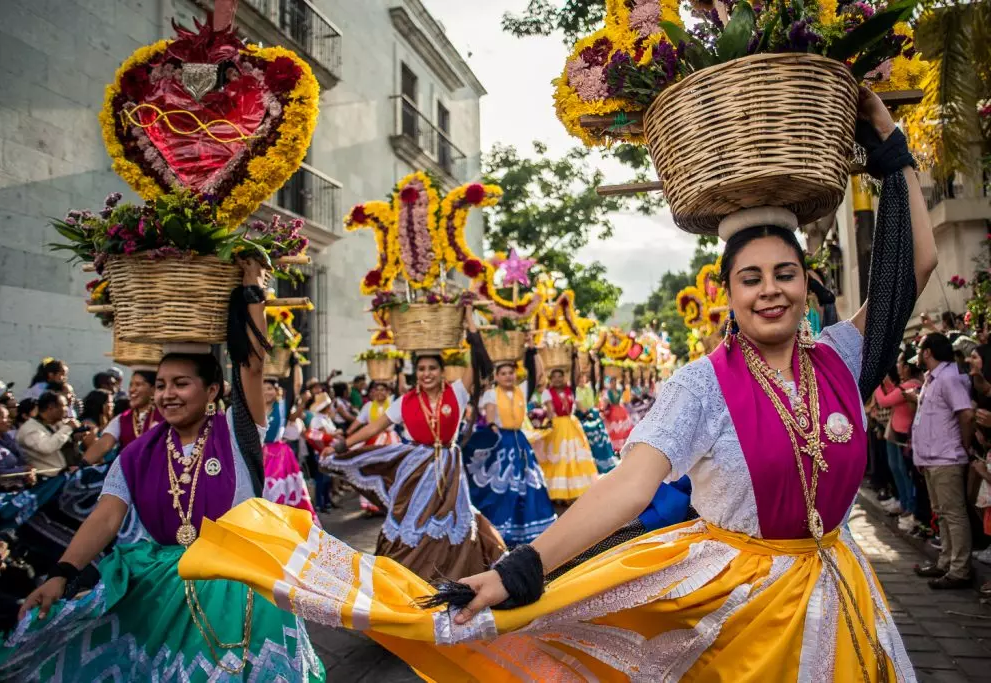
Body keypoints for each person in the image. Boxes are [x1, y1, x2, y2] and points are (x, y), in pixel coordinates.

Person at [179, 89, 933, 681]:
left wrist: (891, 153)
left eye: (784, 274)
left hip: (842, 586)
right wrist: (519, 568)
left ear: (807, 283)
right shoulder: (700, 386)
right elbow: (625, 490)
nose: (769, 291)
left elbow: (915, 268)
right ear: (729, 295)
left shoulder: (838, 356)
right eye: (750, 278)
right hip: (741, 617)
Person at [0, 258, 325, 680]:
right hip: (160, 591)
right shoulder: (136, 454)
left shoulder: (236, 433)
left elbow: (252, 365)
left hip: (241, 587)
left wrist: (250, 292)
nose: (166, 394)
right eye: (160, 384)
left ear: (212, 390)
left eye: (180, 384)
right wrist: (61, 575)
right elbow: (104, 517)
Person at [318, 306, 506, 581]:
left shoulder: (457, 392)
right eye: (421, 369)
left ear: (442, 372)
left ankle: (451, 576)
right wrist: (341, 445)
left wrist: (469, 321)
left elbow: (479, 362)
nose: (426, 374)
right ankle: (408, 578)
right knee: (414, 522)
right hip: (416, 470)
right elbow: (374, 426)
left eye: (432, 368)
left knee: (454, 521)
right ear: (416, 372)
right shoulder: (404, 402)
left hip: (449, 468)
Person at [463, 350, 557, 547]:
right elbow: (490, 418)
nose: (508, 376)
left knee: (529, 485)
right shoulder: (491, 394)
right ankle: (500, 532)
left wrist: (533, 351)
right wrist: (492, 426)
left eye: (511, 373)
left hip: (520, 441)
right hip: (502, 443)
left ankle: (528, 531)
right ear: (497, 377)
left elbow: (538, 375)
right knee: (503, 488)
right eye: (503, 373)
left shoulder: (521, 390)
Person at [912, 332, 976, 589]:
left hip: (947, 457)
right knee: (942, 513)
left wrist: (965, 444)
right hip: (932, 457)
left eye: (920, 349)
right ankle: (946, 561)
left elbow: (967, 414)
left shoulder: (949, 377)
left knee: (953, 513)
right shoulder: (932, 378)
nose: (918, 353)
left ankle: (959, 569)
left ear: (928, 352)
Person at [534, 366, 599, 503]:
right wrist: (549, 422)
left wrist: (574, 358)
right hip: (557, 425)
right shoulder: (547, 392)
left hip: (571, 425)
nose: (557, 379)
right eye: (554, 377)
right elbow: (550, 410)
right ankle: (558, 494)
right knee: (558, 458)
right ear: (550, 379)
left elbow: (576, 402)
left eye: (560, 376)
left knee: (573, 458)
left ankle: (574, 492)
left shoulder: (571, 390)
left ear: (564, 378)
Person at [875, 354, 923, 532]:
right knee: (896, 469)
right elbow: (891, 392)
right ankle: (904, 503)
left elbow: (884, 401)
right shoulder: (906, 385)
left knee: (903, 471)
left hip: (903, 435)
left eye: (901, 364)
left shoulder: (911, 386)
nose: (898, 367)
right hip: (895, 432)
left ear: (908, 368)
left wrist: (877, 383)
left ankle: (909, 505)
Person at [80, 370, 160, 466]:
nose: (132, 390)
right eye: (131, 385)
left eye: (138, 385)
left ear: (153, 389)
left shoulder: (166, 416)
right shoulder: (123, 418)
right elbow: (104, 444)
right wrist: (81, 464)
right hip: (128, 474)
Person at [261, 377, 315, 515]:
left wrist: (295, 361)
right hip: (259, 453)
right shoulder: (255, 408)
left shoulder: (282, 406)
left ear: (276, 390)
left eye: (269, 389)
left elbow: (296, 384)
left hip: (279, 455)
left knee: (281, 492)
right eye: (262, 389)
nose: (266, 392)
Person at [348, 381, 400, 515]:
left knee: (390, 474)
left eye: (383, 390)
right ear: (373, 392)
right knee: (370, 473)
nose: (380, 393)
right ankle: (371, 506)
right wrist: (347, 434)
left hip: (390, 442)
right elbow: (358, 421)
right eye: (377, 390)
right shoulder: (368, 406)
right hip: (372, 441)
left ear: (388, 392)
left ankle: (390, 505)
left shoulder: (394, 404)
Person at [16, 392, 91, 474]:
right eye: (64, 405)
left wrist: (75, 438)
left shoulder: (55, 422)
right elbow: (47, 448)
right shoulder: (29, 429)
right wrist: (68, 427)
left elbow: (59, 444)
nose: (67, 409)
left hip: (71, 473)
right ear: (51, 407)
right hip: (51, 480)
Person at [575, 370, 618, 473]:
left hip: (592, 413)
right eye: (579, 378)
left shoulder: (589, 389)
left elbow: (593, 403)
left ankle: (605, 461)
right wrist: (586, 413)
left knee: (602, 434)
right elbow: (579, 404)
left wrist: (594, 412)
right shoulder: (576, 390)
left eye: (583, 378)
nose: (581, 380)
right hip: (582, 415)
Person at [601, 373, 633, 453]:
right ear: (610, 383)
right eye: (612, 382)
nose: (613, 384)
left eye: (615, 382)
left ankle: (621, 447)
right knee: (613, 431)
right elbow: (605, 402)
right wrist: (604, 409)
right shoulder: (607, 392)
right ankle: (614, 447)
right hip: (612, 411)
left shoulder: (619, 391)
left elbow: (621, 400)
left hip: (619, 410)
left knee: (621, 429)